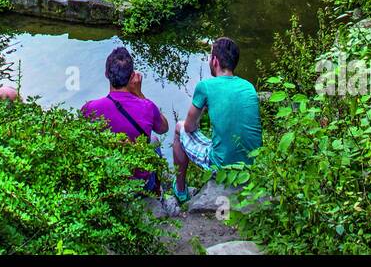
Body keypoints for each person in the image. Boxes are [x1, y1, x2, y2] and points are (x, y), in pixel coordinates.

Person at [172, 37, 262, 203]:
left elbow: (190, 127)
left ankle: (180, 190)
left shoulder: (205, 86)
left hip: (222, 166)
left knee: (179, 127)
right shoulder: (249, 86)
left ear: (215, 61)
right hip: (252, 165)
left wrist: (203, 110)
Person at [82, 47, 169, 191]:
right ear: (132, 77)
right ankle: (156, 193)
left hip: (106, 183)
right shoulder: (147, 107)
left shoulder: (89, 109)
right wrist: (139, 94)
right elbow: (163, 128)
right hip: (140, 186)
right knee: (154, 141)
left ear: (106, 74)